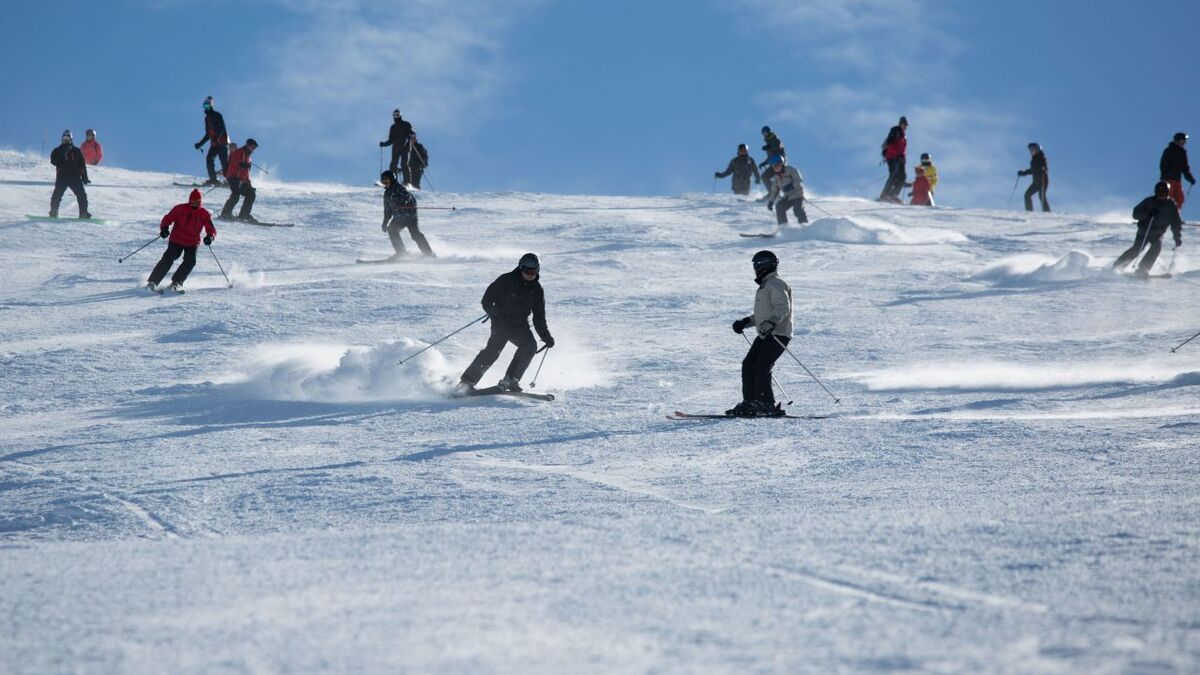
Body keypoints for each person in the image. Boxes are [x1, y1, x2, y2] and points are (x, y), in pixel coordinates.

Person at [458, 253, 555, 393]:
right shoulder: (506, 280)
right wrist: (494, 313)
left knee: (530, 346)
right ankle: (466, 382)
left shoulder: (537, 290)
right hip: (501, 324)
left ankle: (511, 379)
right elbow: (486, 300)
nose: (530, 274)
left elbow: (539, 317)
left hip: (520, 326)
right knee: (492, 351)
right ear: (521, 268)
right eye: (527, 271)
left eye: (534, 271)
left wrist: (546, 336)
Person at [728, 250, 793, 417]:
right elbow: (761, 316)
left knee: (761, 366)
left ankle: (765, 403)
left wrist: (771, 323)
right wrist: (745, 322)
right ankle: (751, 401)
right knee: (748, 364)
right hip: (766, 334)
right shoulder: (765, 285)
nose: (755, 268)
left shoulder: (776, 284)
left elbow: (783, 308)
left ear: (765, 264)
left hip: (778, 334)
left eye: (757, 265)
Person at [147, 189, 216, 293]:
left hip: (192, 242)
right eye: (192, 201)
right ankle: (153, 282)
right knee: (168, 258)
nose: (194, 204)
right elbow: (167, 218)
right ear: (189, 200)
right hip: (176, 239)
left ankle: (177, 282)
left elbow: (211, 229)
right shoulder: (179, 209)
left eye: (197, 202)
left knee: (190, 261)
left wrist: (210, 236)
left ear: (200, 202)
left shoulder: (204, 214)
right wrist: (164, 228)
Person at [1112, 181, 1184, 278]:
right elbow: (1135, 213)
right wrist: (1148, 214)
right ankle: (1118, 265)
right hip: (1144, 231)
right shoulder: (1149, 201)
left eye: (1164, 192)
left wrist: (1177, 238)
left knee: (1156, 248)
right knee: (1137, 248)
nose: (1161, 195)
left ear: (1167, 193)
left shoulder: (1171, 206)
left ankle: (1143, 269)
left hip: (1158, 233)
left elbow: (1176, 224)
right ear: (1156, 192)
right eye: (1159, 192)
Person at [379, 170, 433, 257]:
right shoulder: (386, 194)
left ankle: (428, 253)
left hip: (409, 216)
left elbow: (407, 197)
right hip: (399, 217)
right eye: (383, 182)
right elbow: (387, 210)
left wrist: (400, 202)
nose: (386, 184)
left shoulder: (399, 188)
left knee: (415, 234)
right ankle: (401, 252)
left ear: (392, 179)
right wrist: (385, 222)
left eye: (387, 181)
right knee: (392, 230)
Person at [49, 130, 90, 219]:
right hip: (62, 177)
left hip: (74, 177)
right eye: (64, 139)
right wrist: (63, 154)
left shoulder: (77, 151)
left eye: (68, 139)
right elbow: (53, 161)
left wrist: (85, 177)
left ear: (71, 139)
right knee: (57, 195)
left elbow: (82, 165)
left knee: (82, 195)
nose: (66, 141)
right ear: (62, 139)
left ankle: (83, 213)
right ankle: (53, 212)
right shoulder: (57, 150)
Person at [220, 138, 259, 222]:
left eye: (254, 148)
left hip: (242, 180)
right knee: (236, 193)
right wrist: (241, 164)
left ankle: (244, 215)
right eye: (252, 147)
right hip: (233, 177)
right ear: (247, 145)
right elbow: (234, 162)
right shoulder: (238, 152)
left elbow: (246, 173)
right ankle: (225, 214)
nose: (253, 149)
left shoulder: (248, 157)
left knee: (251, 193)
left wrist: (249, 184)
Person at [194, 96, 230, 186]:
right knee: (209, 159)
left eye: (207, 106)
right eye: (204, 106)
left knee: (224, 162)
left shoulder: (217, 115)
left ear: (211, 106)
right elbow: (208, 134)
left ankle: (230, 181)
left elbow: (222, 128)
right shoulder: (207, 119)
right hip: (214, 144)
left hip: (222, 142)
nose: (206, 108)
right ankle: (213, 179)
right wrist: (200, 143)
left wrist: (218, 137)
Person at [764, 155, 807, 225]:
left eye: (778, 165)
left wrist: (791, 186)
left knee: (797, 210)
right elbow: (774, 191)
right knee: (779, 206)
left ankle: (804, 225)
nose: (776, 167)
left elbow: (798, 179)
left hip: (797, 195)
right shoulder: (776, 178)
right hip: (787, 197)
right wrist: (771, 202)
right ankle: (784, 227)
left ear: (782, 163)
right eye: (774, 166)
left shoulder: (790, 169)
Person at [1159, 132, 1195, 212]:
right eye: (1183, 140)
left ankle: (1175, 216)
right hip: (1168, 179)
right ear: (1178, 140)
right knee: (1169, 197)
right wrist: (1165, 174)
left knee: (1180, 198)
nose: (1185, 142)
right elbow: (1163, 164)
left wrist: (1190, 178)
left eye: (1185, 141)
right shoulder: (1169, 150)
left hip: (1177, 179)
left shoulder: (1182, 153)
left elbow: (1185, 167)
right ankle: (1164, 215)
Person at [380, 109, 416, 184]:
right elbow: (390, 140)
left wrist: (411, 136)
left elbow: (412, 134)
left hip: (405, 148)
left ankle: (407, 182)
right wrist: (384, 144)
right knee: (393, 164)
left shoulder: (406, 124)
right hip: (396, 148)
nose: (396, 116)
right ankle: (393, 181)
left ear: (400, 115)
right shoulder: (393, 127)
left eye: (397, 115)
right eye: (394, 115)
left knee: (404, 164)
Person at [878, 116, 908, 203]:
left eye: (906, 125)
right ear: (901, 124)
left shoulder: (903, 135)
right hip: (893, 157)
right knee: (894, 175)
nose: (905, 126)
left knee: (902, 176)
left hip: (899, 158)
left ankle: (893, 194)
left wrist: (903, 157)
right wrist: (896, 155)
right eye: (904, 124)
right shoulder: (895, 131)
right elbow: (890, 143)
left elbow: (902, 149)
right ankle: (885, 195)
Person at [1018, 142, 1050, 212]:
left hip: (1043, 180)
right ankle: (1029, 211)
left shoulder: (1041, 157)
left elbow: (1044, 166)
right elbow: (1033, 170)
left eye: (1033, 149)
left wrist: (1043, 169)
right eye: (1031, 150)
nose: (1032, 151)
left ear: (1037, 149)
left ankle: (1047, 212)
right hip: (1036, 182)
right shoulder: (1033, 160)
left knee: (1041, 196)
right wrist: (1023, 173)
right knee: (1027, 195)